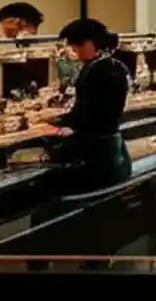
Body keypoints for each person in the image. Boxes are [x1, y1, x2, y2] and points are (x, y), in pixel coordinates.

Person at [49, 18, 132, 194]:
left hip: (96, 160)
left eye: (75, 47)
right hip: (115, 154)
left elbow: (87, 114)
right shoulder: (116, 66)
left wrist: (58, 124)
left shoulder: (94, 71)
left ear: (88, 44)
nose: (75, 53)